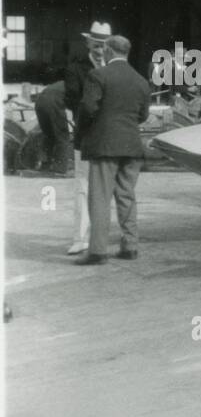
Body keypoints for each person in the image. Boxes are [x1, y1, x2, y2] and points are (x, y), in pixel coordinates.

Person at [75, 35, 151, 265]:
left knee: (99, 198)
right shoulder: (140, 81)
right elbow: (143, 115)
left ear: (108, 50)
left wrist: (82, 135)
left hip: (104, 145)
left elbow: (88, 108)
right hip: (132, 146)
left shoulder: (98, 75)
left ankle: (98, 251)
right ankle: (130, 246)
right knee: (127, 196)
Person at [65, 20, 111, 254]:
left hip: (108, 139)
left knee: (105, 188)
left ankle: (100, 239)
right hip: (85, 136)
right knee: (82, 187)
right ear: (88, 43)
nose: (99, 48)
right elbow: (72, 101)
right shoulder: (75, 69)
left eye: (103, 44)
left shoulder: (114, 68)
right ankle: (79, 238)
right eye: (95, 44)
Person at [34, 80, 74, 176]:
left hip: (39, 102)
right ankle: (60, 168)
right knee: (63, 136)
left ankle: (45, 165)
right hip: (53, 103)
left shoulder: (66, 82)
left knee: (49, 135)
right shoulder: (81, 84)